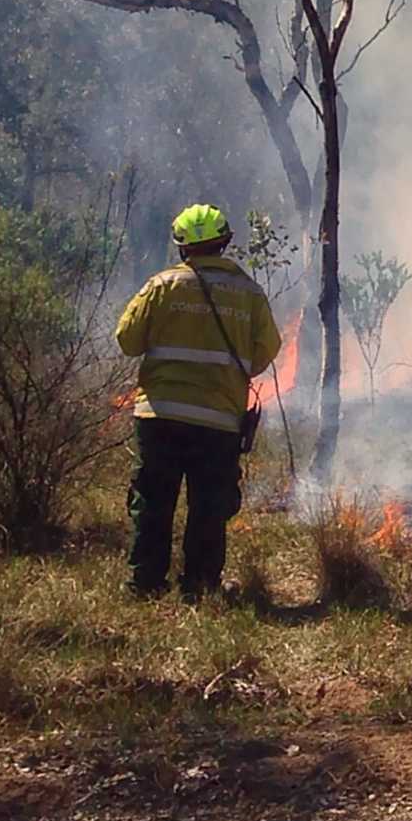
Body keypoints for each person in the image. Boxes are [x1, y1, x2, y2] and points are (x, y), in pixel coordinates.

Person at [114, 204, 277, 602]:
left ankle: (146, 585)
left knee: (152, 501)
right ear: (224, 243)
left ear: (183, 247)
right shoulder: (249, 294)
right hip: (218, 420)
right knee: (209, 505)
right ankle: (200, 586)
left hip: (160, 415)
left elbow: (127, 341)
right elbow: (267, 349)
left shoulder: (161, 285)